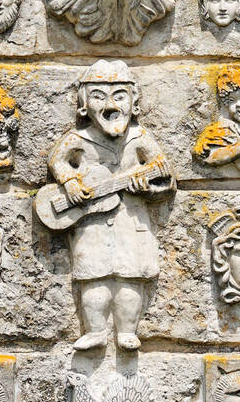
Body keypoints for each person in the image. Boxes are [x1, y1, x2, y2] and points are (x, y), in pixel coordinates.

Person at [44, 59, 174, 350]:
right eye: (99, 96)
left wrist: (149, 187)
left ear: (134, 103)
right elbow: (57, 159)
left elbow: (166, 176)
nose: (110, 103)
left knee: (131, 276)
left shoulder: (140, 138)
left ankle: (127, 330)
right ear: (83, 105)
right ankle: (95, 330)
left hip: (132, 221)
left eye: (119, 96)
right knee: (93, 276)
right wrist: (70, 182)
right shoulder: (80, 138)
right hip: (92, 222)